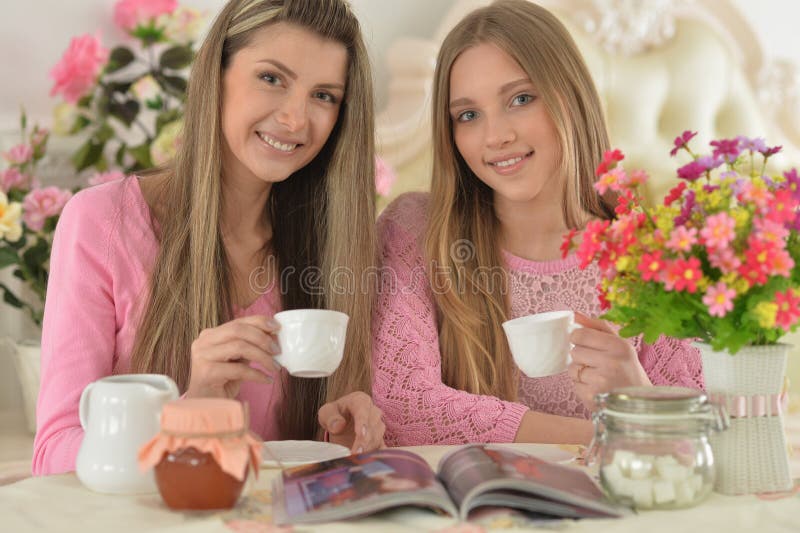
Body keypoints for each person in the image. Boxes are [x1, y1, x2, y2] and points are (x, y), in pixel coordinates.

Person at [33, 0, 384, 476]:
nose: (297, 119)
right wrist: (190, 413)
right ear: (215, 74)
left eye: (324, 96)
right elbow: (53, 454)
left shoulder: (328, 243)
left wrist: (336, 437)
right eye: (272, 78)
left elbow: (275, 461)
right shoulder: (101, 224)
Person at [372, 0, 703, 446]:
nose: (496, 136)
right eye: (468, 115)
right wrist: (612, 431)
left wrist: (635, 395)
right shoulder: (415, 230)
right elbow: (401, 404)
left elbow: (697, 440)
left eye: (521, 99)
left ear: (570, 96)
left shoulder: (648, 252)